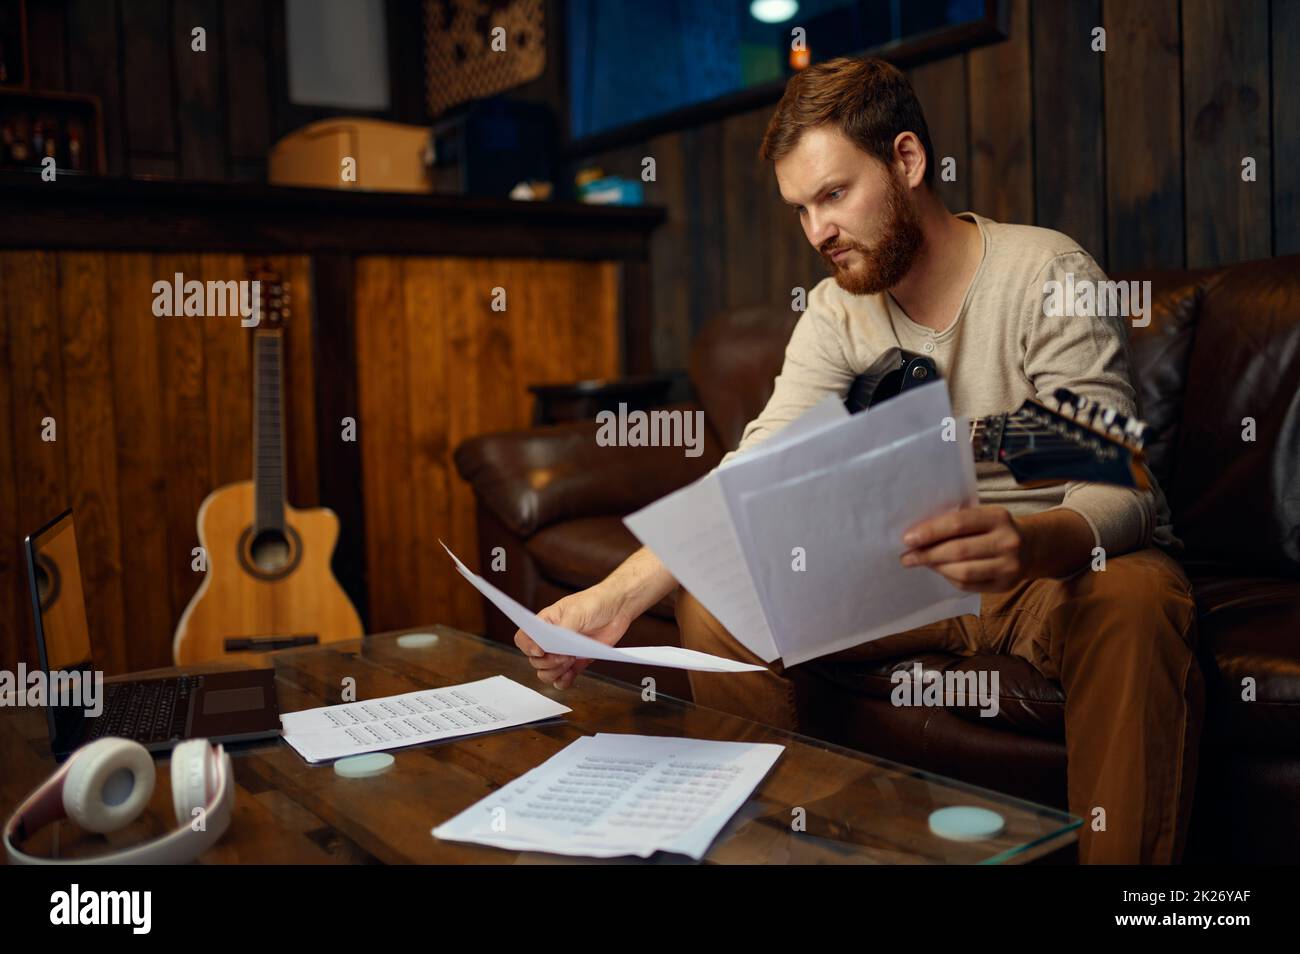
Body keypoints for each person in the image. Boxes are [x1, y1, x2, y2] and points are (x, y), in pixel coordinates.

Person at [512, 56, 1202, 865]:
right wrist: (615, 597)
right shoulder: (841, 312)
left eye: (833, 195)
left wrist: (1032, 541)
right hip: (905, 573)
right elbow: (756, 466)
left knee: (1137, 594)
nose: (817, 232)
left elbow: (1120, 492)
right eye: (800, 209)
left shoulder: (1044, 276)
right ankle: (786, 851)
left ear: (907, 161)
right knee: (725, 600)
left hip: (1044, 572)